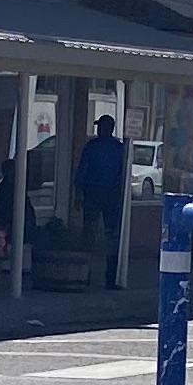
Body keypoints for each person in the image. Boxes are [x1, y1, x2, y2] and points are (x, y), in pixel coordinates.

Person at [75, 114, 129, 288]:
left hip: (94, 193)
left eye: (100, 127)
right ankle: (111, 276)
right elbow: (123, 175)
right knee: (110, 235)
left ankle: (86, 275)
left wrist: (78, 194)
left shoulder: (92, 147)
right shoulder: (119, 149)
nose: (98, 130)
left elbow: (82, 173)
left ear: (107, 128)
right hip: (111, 194)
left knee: (89, 234)